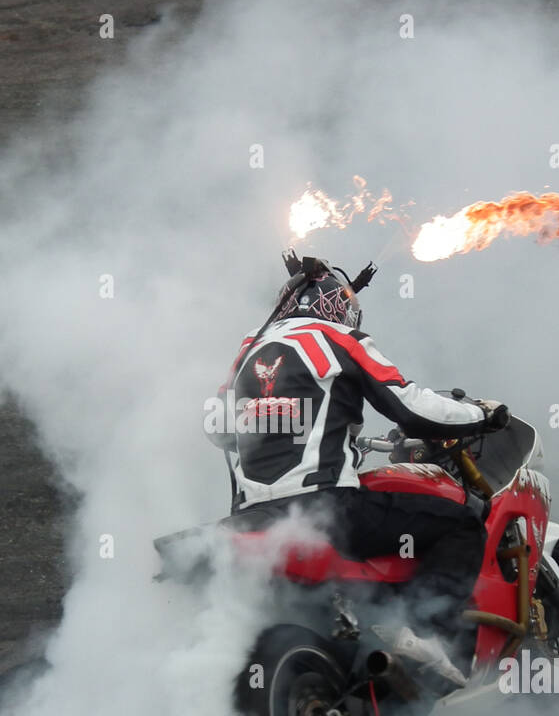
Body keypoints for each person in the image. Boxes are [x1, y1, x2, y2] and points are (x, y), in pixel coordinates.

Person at [208, 255, 508, 676]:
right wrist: (480, 414)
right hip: (326, 509)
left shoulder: (248, 349)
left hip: (251, 516)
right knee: (461, 524)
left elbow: (216, 428)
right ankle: (429, 637)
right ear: (337, 303)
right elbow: (409, 407)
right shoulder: (339, 338)